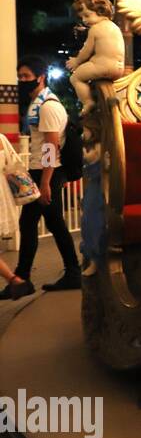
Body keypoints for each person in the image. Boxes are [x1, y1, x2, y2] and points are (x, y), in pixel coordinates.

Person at [13, 55, 80, 294]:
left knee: (32, 223)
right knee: (51, 223)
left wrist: (45, 183)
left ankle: (22, 280)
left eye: (26, 77)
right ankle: (69, 273)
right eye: (20, 76)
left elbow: (51, 146)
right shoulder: (37, 103)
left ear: (40, 78)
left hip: (48, 172)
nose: (22, 80)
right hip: (42, 171)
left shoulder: (48, 106)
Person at [66, 0, 126, 109]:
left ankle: (88, 102)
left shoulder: (95, 29)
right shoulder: (114, 27)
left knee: (75, 78)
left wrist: (76, 61)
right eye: (82, 17)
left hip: (101, 66)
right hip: (118, 68)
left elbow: (86, 51)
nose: (84, 20)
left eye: (87, 15)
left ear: (101, 11)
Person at [0, 135, 35, 299]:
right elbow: (12, 164)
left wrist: (48, 177)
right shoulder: (1, 138)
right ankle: (14, 279)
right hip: (3, 195)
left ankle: (15, 280)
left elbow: (50, 148)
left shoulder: (49, 112)